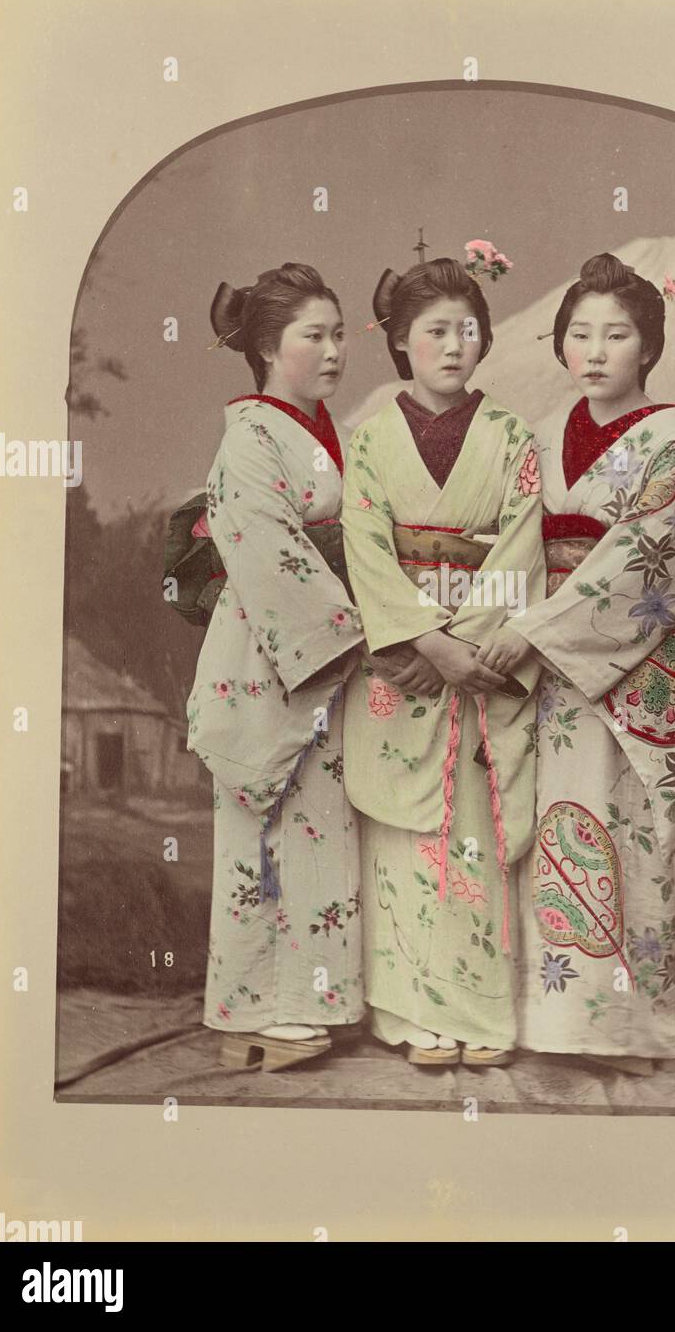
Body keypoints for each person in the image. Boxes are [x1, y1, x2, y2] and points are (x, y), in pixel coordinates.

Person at [477, 252, 675, 1070]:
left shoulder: (673, 438)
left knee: (629, 833)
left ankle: (626, 1029)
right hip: (549, 657)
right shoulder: (542, 436)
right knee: (555, 824)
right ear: (559, 345)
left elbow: (643, 551)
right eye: (578, 334)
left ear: (647, 348)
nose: (595, 351)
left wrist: (541, 628)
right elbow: (512, 539)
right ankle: (553, 1023)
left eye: (615, 335)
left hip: (636, 656)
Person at [341, 252, 545, 1066]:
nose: (453, 345)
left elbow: (524, 541)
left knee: (474, 838)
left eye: (468, 329)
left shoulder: (510, 436)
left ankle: (481, 1016)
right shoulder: (370, 440)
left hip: (480, 655)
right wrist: (421, 640)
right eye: (435, 331)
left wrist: (465, 646)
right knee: (402, 837)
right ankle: (408, 1013)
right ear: (400, 343)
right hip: (402, 662)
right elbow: (363, 546)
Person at [185, 262, 365, 1071]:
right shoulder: (251, 438)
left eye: (337, 334)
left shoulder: (327, 431)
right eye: (313, 336)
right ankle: (251, 1009)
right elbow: (267, 553)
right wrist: (357, 625)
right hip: (271, 654)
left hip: (325, 656)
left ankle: (309, 998)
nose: (333, 351)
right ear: (266, 346)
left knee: (318, 831)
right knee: (262, 833)